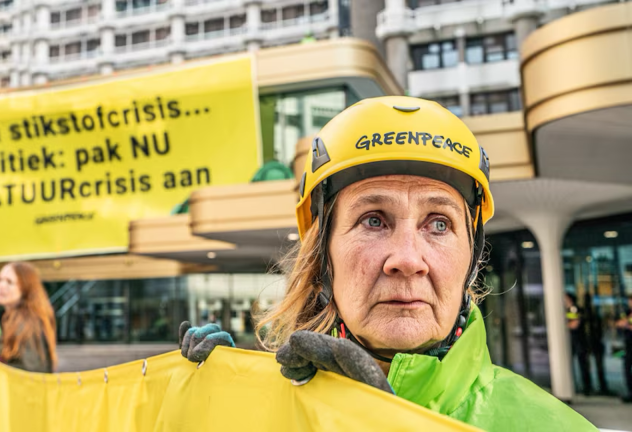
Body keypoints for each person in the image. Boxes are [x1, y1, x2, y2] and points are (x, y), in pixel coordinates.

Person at [178, 96, 595, 431]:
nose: (408, 259)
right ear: (323, 258)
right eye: (373, 220)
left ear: (470, 257)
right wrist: (212, 407)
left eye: (439, 223)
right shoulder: (262, 411)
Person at [0, 262, 58, 373]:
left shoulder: (27, 322)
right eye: (0, 280)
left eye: (9, 282)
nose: (1, 286)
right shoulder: (12, 318)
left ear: (25, 287)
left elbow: (31, 371)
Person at [565, 292, 592, 396]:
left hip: (578, 341)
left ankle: (586, 388)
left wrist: (563, 325)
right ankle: (579, 387)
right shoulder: (568, 310)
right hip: (573, 341)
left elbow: (574, 324)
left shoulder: (574, 309)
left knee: (582, 364)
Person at [616, 295, 632, 403]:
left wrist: (626, 324)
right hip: (628, 345)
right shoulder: (626, 312)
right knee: (627, 368)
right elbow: (618, 323)